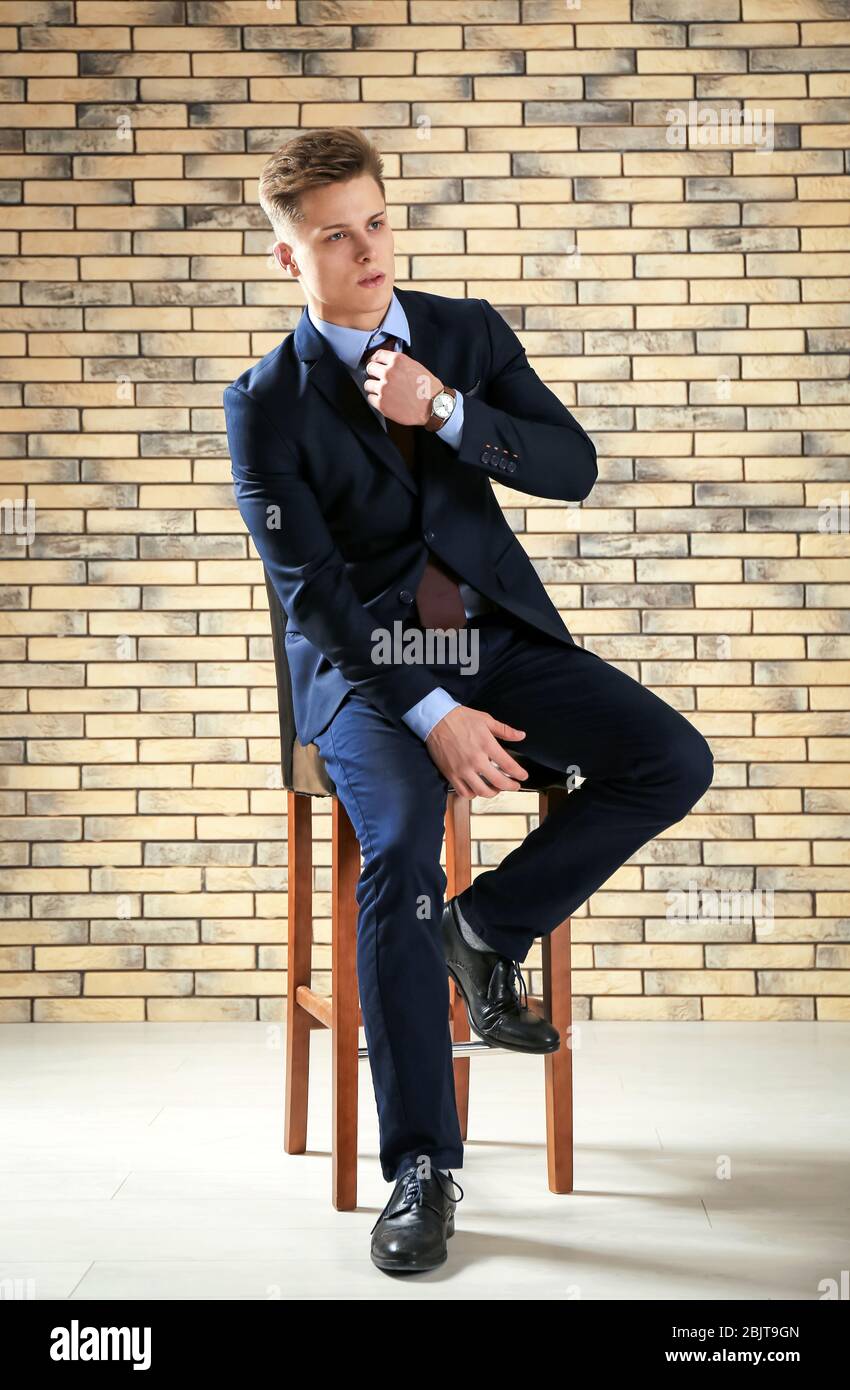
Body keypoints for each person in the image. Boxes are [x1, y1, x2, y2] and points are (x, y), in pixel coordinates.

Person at [223, 127, 714, 1276]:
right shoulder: (264, 404)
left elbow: (571, 465)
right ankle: (422, 1165)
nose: (366, 251)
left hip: (494, 636)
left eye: (376, 222)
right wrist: (430, 709)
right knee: (398, 849)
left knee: (669, 759)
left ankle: (487, 926)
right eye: (333, 236)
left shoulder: (464, 333)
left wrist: (444, 411)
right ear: (290, 259)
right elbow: (317, 598)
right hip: (365, 674)